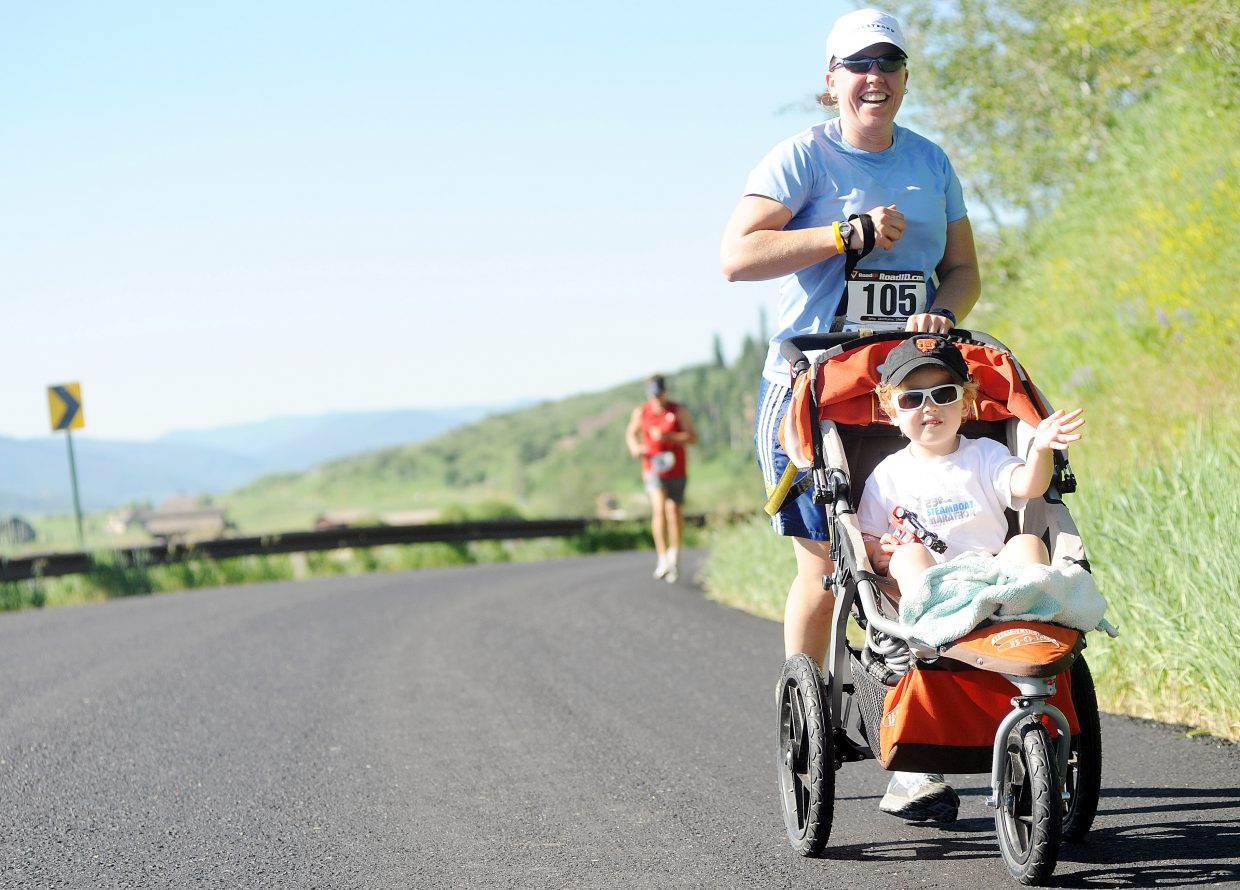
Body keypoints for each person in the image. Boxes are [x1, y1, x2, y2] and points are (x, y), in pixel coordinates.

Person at [719, 8, 982, 821]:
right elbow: (738, 256)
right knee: (826, 562)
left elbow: (963, 268)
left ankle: (910, 753)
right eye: (858, 63)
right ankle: (819, 712)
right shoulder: (803, 155)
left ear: (905, 77)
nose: (875, 76)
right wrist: (841, 233)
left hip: (906, 386)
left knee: (910, 540)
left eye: (890, 62)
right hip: (813, 385)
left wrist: (939, 312)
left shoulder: (930, 162)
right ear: (831, 79)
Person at [856, 334, 1084, 820]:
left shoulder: (983, 454)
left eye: (944, 394)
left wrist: (1040, 448)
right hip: (928, 600)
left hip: (988, 585)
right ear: (891, 412)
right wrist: (886, 551)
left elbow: (1027, 486)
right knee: (908, 555)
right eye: (912, 398)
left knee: (1027, 544)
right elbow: (868, 545)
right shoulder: (887, 474)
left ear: (968, 402)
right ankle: (920, 759)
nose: (929, 407)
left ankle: (1031, 634)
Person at [625, 375, 698, 583]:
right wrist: (635, 448)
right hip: (652, 468)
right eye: (652, 395)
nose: (656, 399)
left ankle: (675, 553)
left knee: (673, 511)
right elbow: (631, 433)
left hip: (677, 469)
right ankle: (662, 557)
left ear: (665, 392)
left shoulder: (678, 411)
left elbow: (693, 438)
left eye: (658, 394)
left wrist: (669, 437)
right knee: (658, 508)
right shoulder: (641, 412)